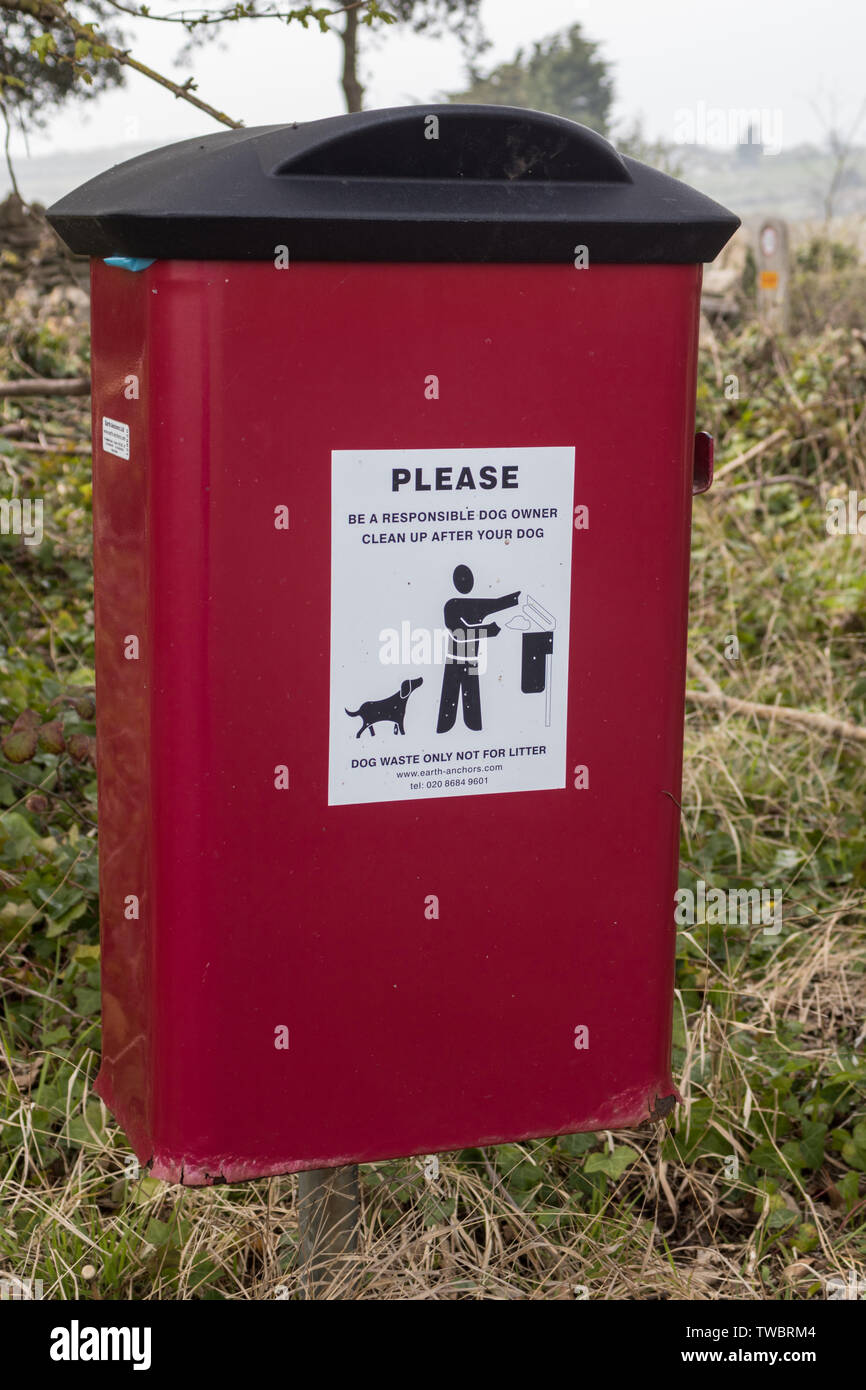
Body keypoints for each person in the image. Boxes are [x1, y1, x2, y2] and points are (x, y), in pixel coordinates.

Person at [436, 565, 519, 733]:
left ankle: (474, 727)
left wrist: (517, 599)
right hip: (454, 657)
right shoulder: (452, 605)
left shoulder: (474, 603)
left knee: (472, 696)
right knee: (449, 697)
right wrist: (489, 630)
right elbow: (458, 632)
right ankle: (445, 728)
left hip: (472, 658)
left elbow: (497, 604)